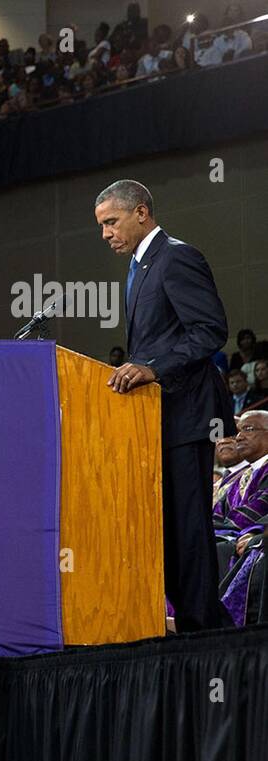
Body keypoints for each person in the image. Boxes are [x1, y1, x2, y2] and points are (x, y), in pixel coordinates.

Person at [96, 179, 234, 632]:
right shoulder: (140, 266)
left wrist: (152, 367)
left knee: (189, 526)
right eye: (102, 226)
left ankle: (205, 630)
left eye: (111, 222)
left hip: (190, 413)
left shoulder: (176, 256)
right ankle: (192, 621)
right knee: (170, 527)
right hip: (159, 417)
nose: (106, 234)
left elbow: (210, 329)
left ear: (141, 213)